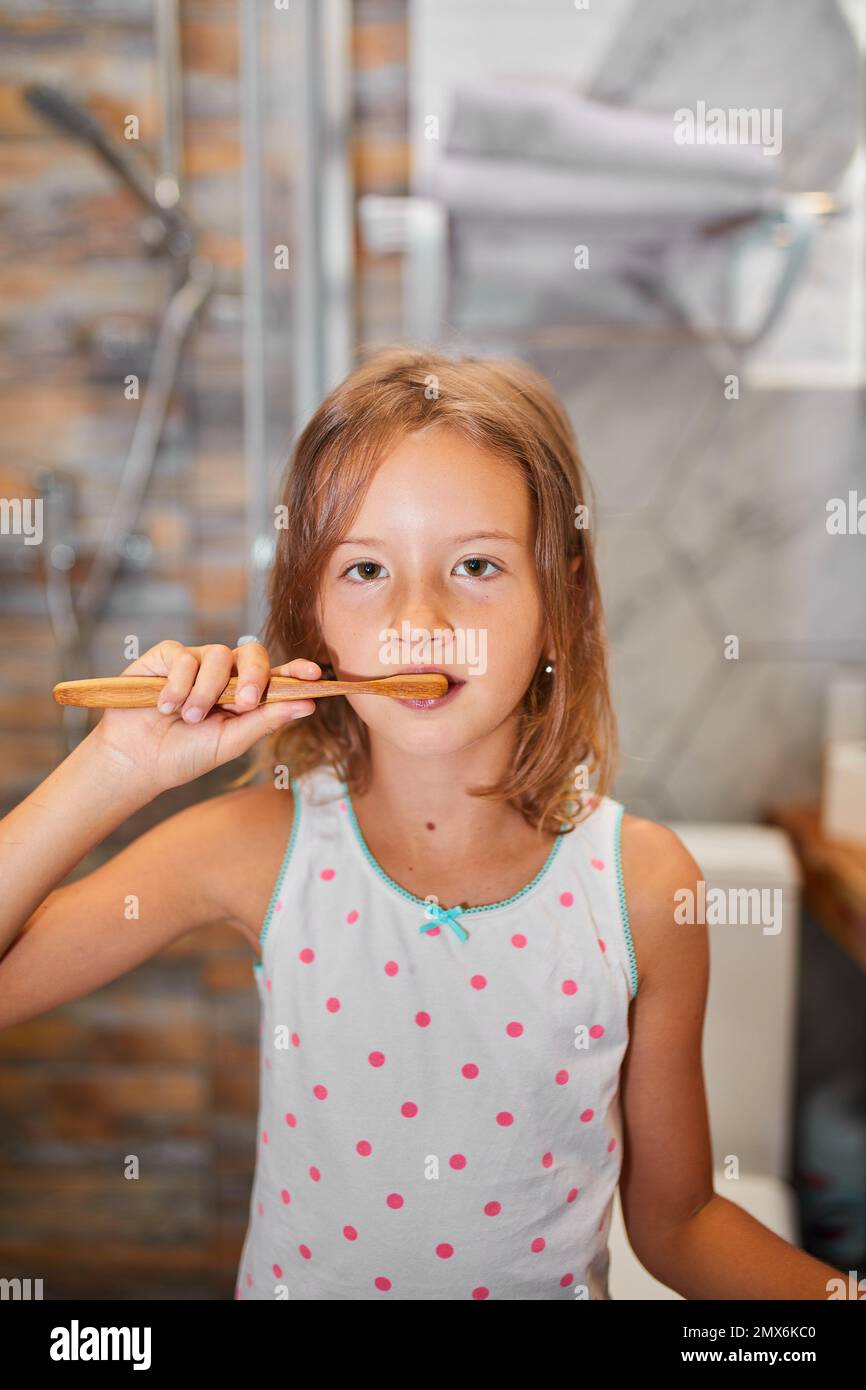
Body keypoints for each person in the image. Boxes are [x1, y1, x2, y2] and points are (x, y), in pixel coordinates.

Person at [0, 347, 840, 1300]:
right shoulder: (255, 850)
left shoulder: (645, 889)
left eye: (475, 564)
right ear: (314, 618)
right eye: (365, 569)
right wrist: (114, 766)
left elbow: (680, 1223)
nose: (419, 618)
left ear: (563, 602)